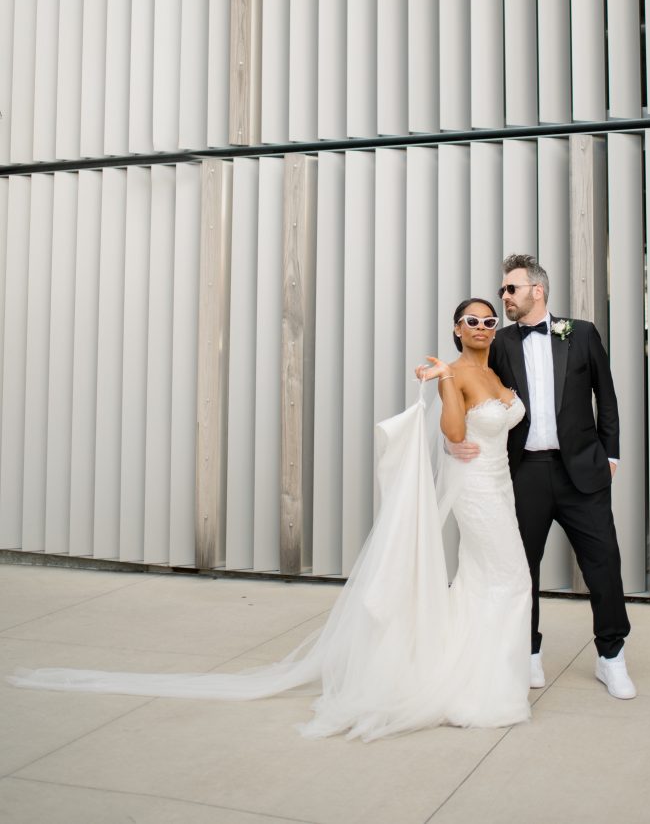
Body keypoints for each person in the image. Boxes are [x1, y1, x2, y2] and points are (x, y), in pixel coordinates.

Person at [10, 300, 532, 739]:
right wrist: (444, 384)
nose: (483, 327)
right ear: (456, 329)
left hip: (502, 484)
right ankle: (476, 689)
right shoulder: (458, 374)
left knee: (487, 580)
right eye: (473, 321)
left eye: (490, 321)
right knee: (508, 577)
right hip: (477, 490)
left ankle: (480, 677)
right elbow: (456, 436)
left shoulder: (492, 370)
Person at [450, 255, 636, 700]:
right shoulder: (500, 343)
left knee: (604, 564)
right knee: (521, 568)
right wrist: (453, 439)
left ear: (537, 290)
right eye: (502, 290)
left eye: (510, 289)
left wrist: (610, 455)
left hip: (582, 472)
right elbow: (470, 390)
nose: (503, 297)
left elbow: (605, 397)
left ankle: (611, 656)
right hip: (525, 472)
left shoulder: (583, 333)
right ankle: (528, 651)